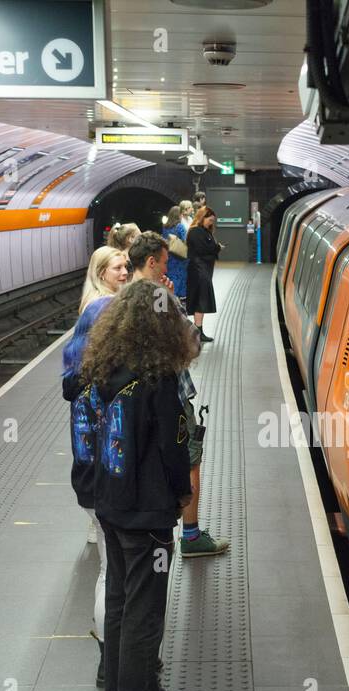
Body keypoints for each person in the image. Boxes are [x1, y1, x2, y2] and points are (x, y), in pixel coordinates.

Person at [78, 278, 197, 691]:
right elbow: (172, 447)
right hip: (148, 510)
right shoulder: (159, 379)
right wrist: (181, 494)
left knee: (121, 599)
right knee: (147, 606)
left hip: (109, 502)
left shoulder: (105, 368)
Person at [126, 232, 230, 559]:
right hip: (172, 391)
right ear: (152, 261)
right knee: (190, 459)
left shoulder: (125, 296)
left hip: (139, 396)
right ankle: (191, 534)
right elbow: (190, 346)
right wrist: (175, 306)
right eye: (165, 261)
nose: (168, 267)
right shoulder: (159, 297)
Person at [65, 247, 129, 687]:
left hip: (90, 477)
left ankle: (113, 656)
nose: (124, 272)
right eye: (118, 267)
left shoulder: (81, 370)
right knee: (114, 570)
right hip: (107, 480)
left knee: (113, 566)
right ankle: (112, 660)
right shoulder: (107, 383)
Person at [186, 205, 222, 343]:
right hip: (198, 270)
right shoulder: (196, 232)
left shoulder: (203, 231)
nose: (211, 223)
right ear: (202, 218)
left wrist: (214, 247)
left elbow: (208, 248)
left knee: (201, 300)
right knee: (200, 301)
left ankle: (198, 331)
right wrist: (217, 247)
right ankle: (198, 332)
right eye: (210, 220)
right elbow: (204, 249)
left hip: (203, 269)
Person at [79, 245, 129, 314]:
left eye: (125, 266)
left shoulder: (100, 300)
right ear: (101, 273)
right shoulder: (101, 306)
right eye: (118, 268)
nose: (125, 272)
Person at [162, 204, 189, 304]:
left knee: (170, 277)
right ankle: (179, 300)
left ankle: (170, 297)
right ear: (179, 215)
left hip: (169, 256)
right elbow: (186, 240)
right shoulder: (180, 226)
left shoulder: (165, 227)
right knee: (180, 278)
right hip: (180, 257)